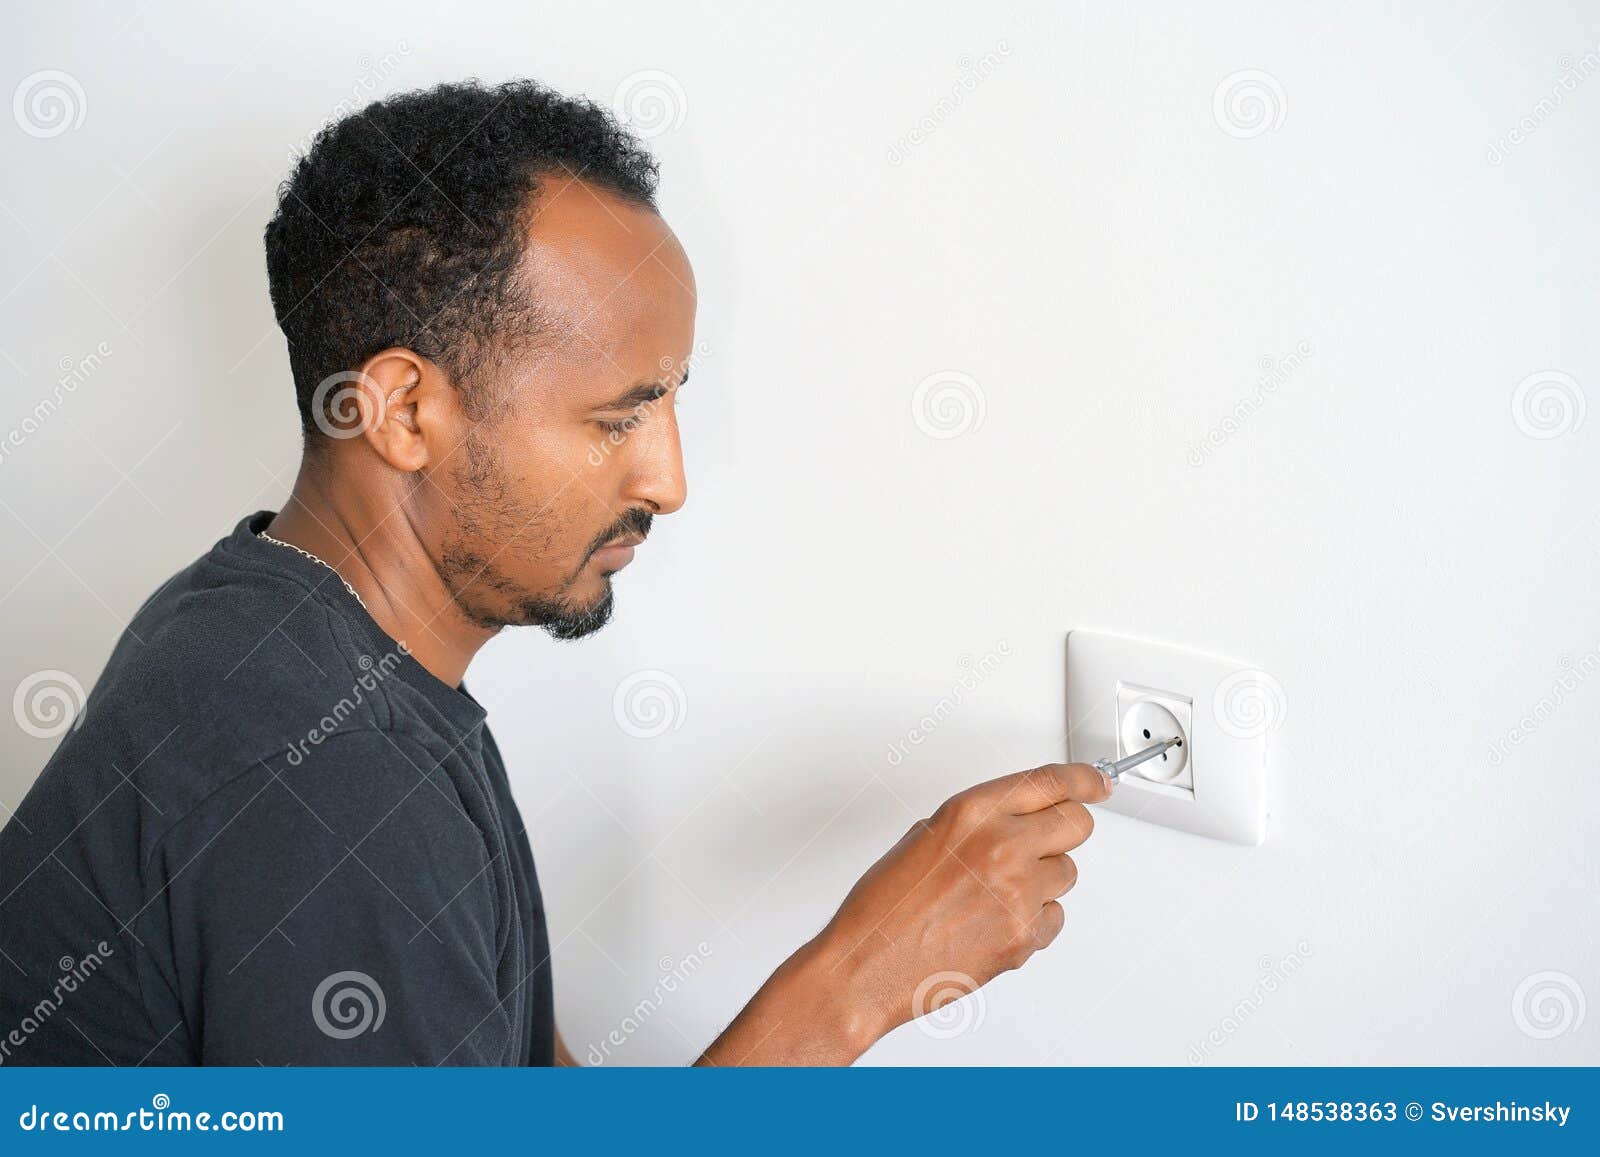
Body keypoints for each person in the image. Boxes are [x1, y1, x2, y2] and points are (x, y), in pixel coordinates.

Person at [0, 79, 1108, 1066]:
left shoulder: (278, 627)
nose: (668, 480)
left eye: (670, 397)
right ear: (402, 410)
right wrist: (854, 987)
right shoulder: (318, 776)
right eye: (618, 414)